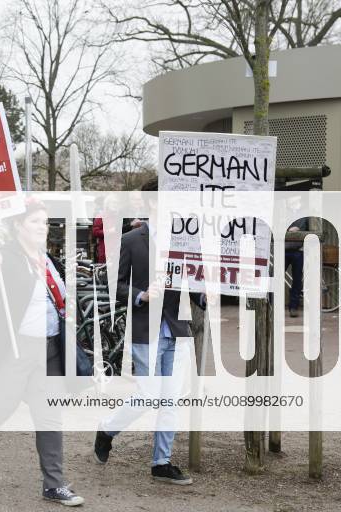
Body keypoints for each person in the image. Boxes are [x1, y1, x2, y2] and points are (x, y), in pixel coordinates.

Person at [0, 201, 85, 507]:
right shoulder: (6, 256)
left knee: (49, 415)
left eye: (46, 222)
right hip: (8, 351)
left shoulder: (48, 259)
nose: (44, 227)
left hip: (47, 349)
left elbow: (60, 301)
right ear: (19, 227)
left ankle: (54, 483)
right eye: (36, 222)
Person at [93, 178, 201, 485]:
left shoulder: (184, 241)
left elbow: (192, 284)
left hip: (177, 329)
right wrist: (140, 295)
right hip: (146, 329)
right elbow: (115, 285)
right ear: (152, 203)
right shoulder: (130, 240)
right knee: (148, 395)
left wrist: (205, 296)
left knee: (171, 399)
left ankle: (161, 463)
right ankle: (107, 430)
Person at [286, 214, 308, 318]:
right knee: (275, 279)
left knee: (297, 280)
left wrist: (291, 229)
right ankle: (272, 306)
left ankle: (293, 307)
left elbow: (298, 229)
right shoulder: (282, 211)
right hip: (283, 250)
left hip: (298, 251)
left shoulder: (303, 215)